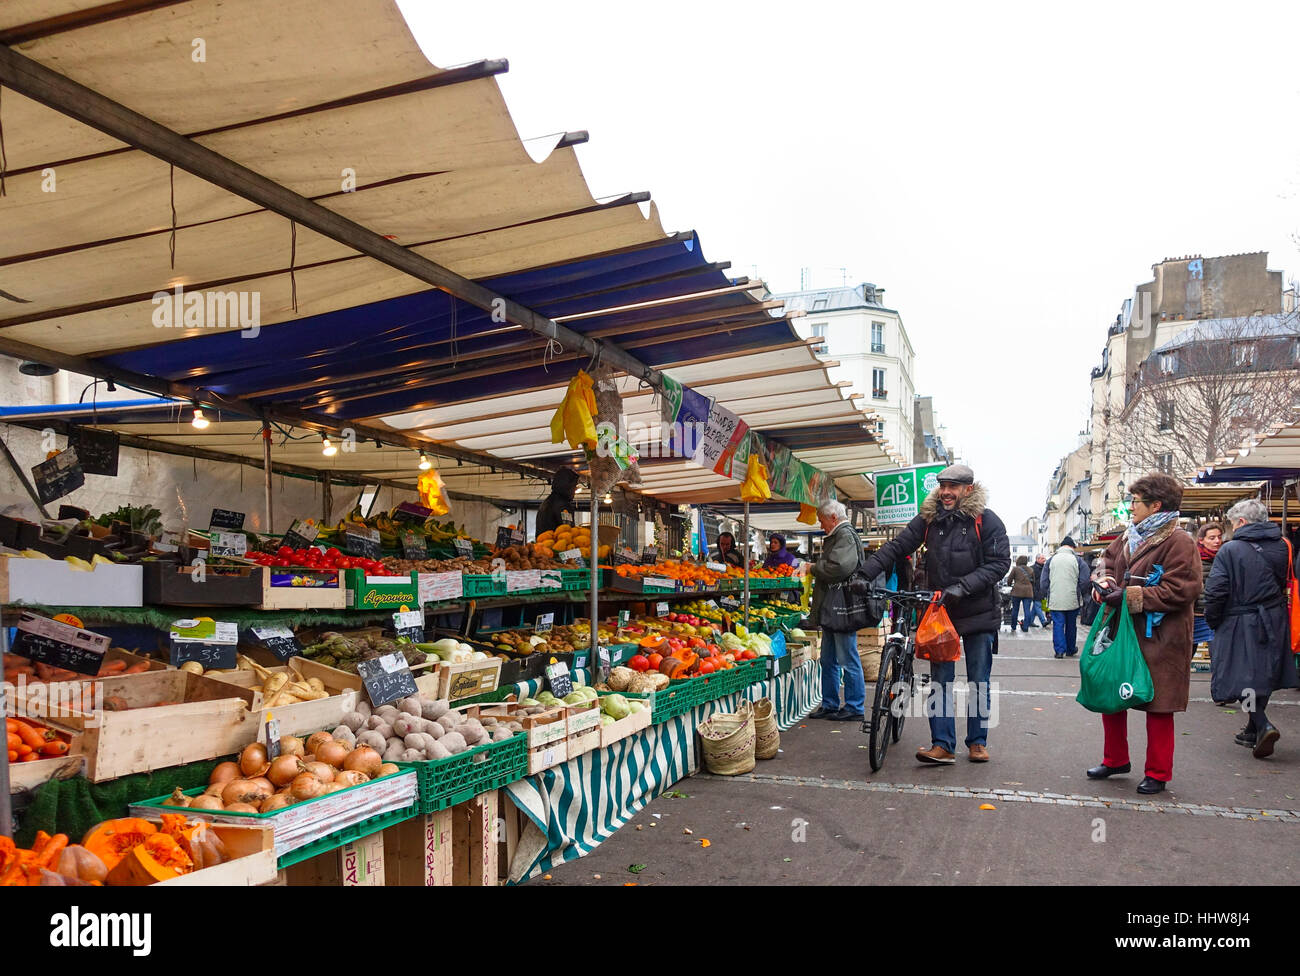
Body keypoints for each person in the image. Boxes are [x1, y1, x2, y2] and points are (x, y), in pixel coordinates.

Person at [860, 463, 1011, 764]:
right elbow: (898, 546)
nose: (945, 492)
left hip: (978, 612)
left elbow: (999, 564)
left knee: (978, 680)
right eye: (942, 486)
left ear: (968, 489)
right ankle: (942, 744)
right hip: (942, 612)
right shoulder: (930, 519)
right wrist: (865, 573)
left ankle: (977, 742)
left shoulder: (987, 521)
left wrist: (962, 587)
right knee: (941, 679)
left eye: (952, 487)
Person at [1086, 473, 1201, 795]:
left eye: (1135, 501)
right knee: (1112, 694)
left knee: (1160, 705)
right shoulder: (1128, 536)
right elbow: (1105, 562)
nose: (1130, 507)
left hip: (1163, 635)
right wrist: (1104, 582)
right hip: (1123, 630)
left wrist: (1129, 596)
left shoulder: (1180, 541)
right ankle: (1115, 759)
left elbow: (1183, 589)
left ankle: (1158, 772)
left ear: (1156, 505)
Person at [1203, 500, 1298, 758]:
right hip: (1275, 618)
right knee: (1264, 674)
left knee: (1241, 677)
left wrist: (1213, 620)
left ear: (1242, 522)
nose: (1231, 529)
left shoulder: (1230, 550)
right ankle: (1252, 728)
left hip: (1240, 619)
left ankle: (1262, 722)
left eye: (1233, 524)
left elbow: (1215, 591)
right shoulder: (1283, 545)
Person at [806, 500, 867, 721]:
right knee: (828, 658)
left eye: (822, 521)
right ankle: (830, 703)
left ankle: (854, 706)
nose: (821, 526)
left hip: (842, 608)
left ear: (833, 518)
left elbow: (840, 567)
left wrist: (813, 568)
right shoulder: (838, 536)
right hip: (833, 608)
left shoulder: (846, 536)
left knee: (847, 657)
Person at [1045, 536, 1085, 658]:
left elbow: (1044, 581)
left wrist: (1048, 592)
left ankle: (1059, 650)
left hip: (1055, 599)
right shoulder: (1078, 560)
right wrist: (1080, 592)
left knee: (1058, 624)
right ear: (1072, 547)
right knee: (1071, 625)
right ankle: (1070, 648)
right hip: (1073, 598)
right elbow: (1084, 580)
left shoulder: (1051, 560)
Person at [1193, 522, 1224, 652]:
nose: (1217, 541)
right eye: (1212, 538)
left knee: (1218, 656)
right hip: (1195, 615)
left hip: (1216, 615)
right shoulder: (1193, 559)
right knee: (1186, 656)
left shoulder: (1225, 557)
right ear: (1201, 540)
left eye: (1219, 537)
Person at [535, 467, 580, 536]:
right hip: (556, 545)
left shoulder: (546, 502)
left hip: (542, 545)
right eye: (574, 486)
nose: (575, 490)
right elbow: (568, 534)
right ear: (567, 486)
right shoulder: (563, 506)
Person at [1006, 556, 1037, 633]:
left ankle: (1013, 626)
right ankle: (1026, 627)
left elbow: (1009, 579)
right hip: (1028, 592)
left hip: (1017, 591)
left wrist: (1010, 585)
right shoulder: (1031, 570)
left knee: (1015, 610)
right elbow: (1034, 581)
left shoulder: (1015, 569)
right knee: (1027, 611)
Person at [1028, 553, 1050, 628]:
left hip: (1043, 590)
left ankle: (1030, 622)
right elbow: (1031, 581)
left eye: (1044, 558)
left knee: (1035, 607)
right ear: (1037, 559)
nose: (1045, 560)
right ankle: (1043, 621)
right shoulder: (1032, 569)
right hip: (1035, 591)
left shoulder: (1046, 568)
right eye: (1042, 558)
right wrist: (1034, 591)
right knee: (1038, 606)